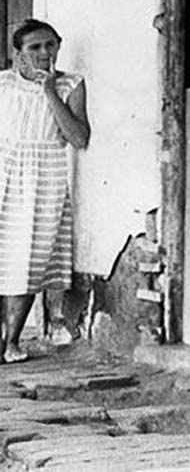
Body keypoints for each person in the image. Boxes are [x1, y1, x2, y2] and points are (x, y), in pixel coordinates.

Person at [0, 19, 89, 363]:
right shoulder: (4, 84)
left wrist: (49, 91)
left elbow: (78, 138)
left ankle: (11, 342)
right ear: (19, 53)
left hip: (43, 179)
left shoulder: (71, 85)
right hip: (4, 169)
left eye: (50, 44)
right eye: (34, 47)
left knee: (27, 260)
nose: (44, 52)